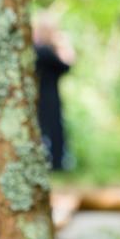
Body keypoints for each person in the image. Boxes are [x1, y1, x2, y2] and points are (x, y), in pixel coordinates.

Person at [32, 13, 75, 171]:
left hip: (46, 95)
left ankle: (54, 162)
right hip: (47, 96)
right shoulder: (45, 52)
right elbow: (67, 65)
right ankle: (54, 163)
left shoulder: (39, 50)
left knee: (49, 128)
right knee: (49, 128)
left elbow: (66, 66)